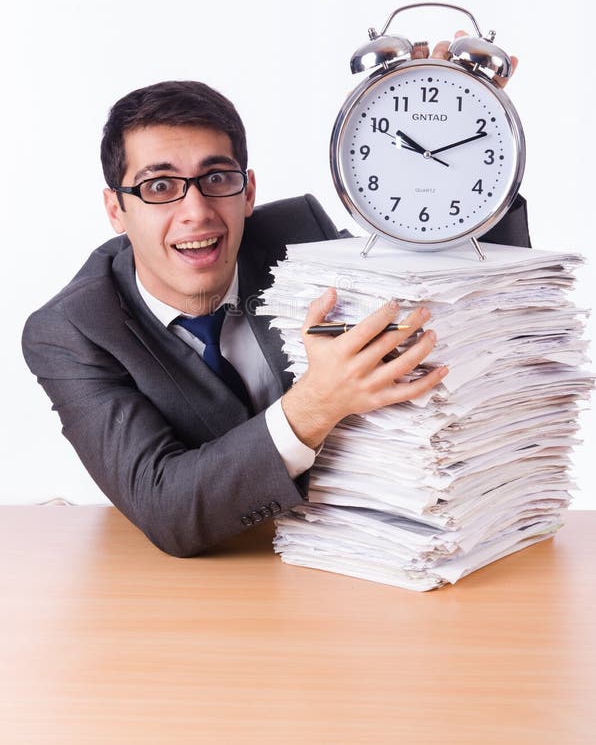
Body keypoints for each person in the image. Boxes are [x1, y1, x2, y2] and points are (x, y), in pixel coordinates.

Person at [22, 41, 530, 557]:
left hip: (370, 553)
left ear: (247, 192)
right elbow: (167, 507)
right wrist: (316, 403)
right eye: (158, 187)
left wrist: (476, 159)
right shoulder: (72, 330)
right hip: (216, 580)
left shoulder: (299, 239)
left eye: (216, 179)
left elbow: (458, 319)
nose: (195, 212)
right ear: (115, 209)